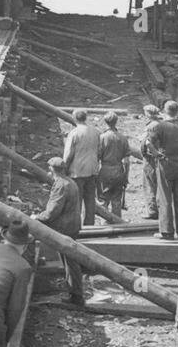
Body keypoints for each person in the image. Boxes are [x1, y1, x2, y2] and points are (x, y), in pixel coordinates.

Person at [35, 157, 86, 305]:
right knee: (69, 260)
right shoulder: (70, 182)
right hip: (72, 225)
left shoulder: (61, 185)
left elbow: (52, 212)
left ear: (52, 170)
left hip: (65, 228)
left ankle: (76, 296)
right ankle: (73, 292)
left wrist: (37, 217)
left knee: (71, 261)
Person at [147, 105, 178, 239]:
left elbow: (148, 143)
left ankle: (167, 231)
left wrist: (157, 154)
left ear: (165, 111)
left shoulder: (160, 126)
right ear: (177, 112)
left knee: (165, 198)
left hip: (165, 164)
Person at [62, 109, 101, 226]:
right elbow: (99, 151)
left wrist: (64, 168)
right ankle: (90, 225)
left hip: (77, 171)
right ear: (85, 118)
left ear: (74, 118)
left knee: (76, 201)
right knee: (90, 200)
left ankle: (76, 225)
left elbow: (68, 154)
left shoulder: (74, 133)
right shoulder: (95, 131)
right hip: (92, 169)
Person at [97, 111, 134, 216]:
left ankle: (104, 222)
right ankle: (117, 224)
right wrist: (126, 176)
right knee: (117, 200)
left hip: (105, 171)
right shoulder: (123, 138)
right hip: (119, 171)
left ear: (105, 122)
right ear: (116, 122)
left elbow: (97, 158)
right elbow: (127, 161)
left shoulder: (102, 137)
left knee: (103, 199)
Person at [139, 104, 161, 220]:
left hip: (150, 159)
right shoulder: (161, 124)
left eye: (146, 113)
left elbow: (148, 142)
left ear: (149, 114)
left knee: (149, 185)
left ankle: (152, 211)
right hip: (157, 158)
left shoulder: (152, 126)